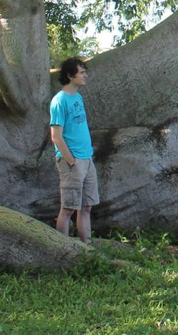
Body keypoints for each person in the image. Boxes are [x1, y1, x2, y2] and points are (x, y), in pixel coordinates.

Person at [50, 57, 99, 243]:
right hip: (72, 161)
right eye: (82, 72)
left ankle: (87, 248)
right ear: (70, 75)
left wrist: (85, 158)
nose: (85, 75)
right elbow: (56, 136)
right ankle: (63, 248)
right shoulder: (59, 101)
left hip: (87, 159)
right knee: (68, 208)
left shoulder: (77, 97)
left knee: (86, 206)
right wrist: (71, 160)